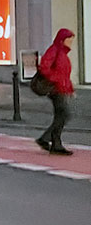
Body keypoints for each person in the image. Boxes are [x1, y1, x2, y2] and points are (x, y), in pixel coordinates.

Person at [37, 28, 76, 156]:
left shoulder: (62, 54)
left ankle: (56, 144)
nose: (70, 42)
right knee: (64, 114)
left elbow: (65, 74)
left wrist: (69, 89)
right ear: (62, 40)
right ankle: (45, 138)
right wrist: (55, 79)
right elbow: (44, 67)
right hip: (55, 89)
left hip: (61, 89)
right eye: (69, 40)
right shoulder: (54, 51)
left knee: (61, 115)